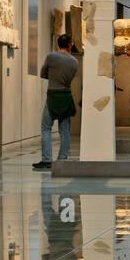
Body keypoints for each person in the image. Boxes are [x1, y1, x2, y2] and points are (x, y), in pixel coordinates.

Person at [35, 34, 78, 169]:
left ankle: (47, 159)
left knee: (46, 127)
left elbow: (43, 73)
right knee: (64, 130)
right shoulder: (74, 61)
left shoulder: (51, 57)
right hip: (66, 95)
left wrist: (53, 76)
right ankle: (62, 158)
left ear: (58, 44)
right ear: (70, 45)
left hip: (53, 95)